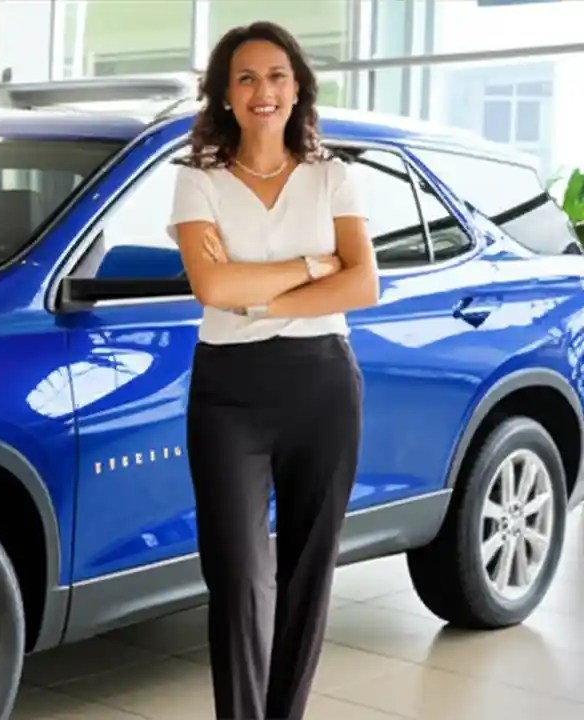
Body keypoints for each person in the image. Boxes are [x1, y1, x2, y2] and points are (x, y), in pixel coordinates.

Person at [167, 21, 379, 720]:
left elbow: (363, 286)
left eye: (278, 76)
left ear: (298, 88)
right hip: (229, 393)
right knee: (237, 576)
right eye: (247, 77)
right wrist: (314, 267)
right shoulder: (196, 182)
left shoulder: (332, 177)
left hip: (322, 384)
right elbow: (213, 290)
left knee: (308, 572)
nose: (265, 90)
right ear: (226, 95)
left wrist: (258, 291)